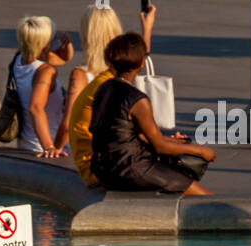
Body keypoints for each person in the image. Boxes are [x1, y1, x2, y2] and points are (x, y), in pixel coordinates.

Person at [89, 32, 215, 195]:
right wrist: (200, 150)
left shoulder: (103, 89)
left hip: (104, 170)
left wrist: (173, 140)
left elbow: (127, 134)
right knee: (206, 197)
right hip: (131, 168)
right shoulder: (137, 100)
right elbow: (159, 146)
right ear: (141, 64)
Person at [63, 2, 155, 185]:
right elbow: (139, 56)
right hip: (125, 152)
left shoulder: (82, 75)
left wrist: (52, 147)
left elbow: (68, 124)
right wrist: (147, 29)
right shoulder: (122, 71)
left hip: (98, 161)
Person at [12, 16, 74, 159]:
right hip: (46, 147)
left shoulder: (20, 58)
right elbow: (35, 108)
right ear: (45, 45)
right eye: (52, 39)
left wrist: (67, 46)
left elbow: (63, 59)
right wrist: (49, 147)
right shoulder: (45, 71)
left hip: (27, 143)